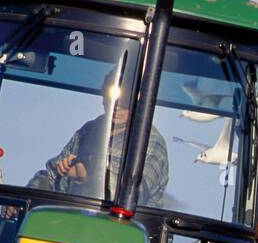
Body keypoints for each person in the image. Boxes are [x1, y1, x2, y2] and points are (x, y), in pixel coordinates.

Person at [28, 70, 169, 208]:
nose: (118, 106)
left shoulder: (149, 142)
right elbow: (52, 175)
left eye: (126, 101)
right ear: (104, 97)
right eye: (112, 98)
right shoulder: (88, 131)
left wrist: (86, 176)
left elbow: (132, 193)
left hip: (124, 227)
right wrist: (28, 197)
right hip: (74, 222)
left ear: (140, 104)